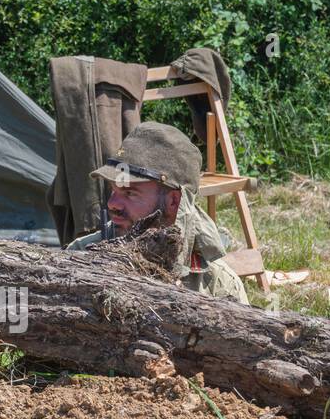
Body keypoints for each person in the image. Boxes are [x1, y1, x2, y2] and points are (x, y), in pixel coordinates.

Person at [67, 121, 249, 303]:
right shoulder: (80, 256)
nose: (112, 204)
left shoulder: (218, 285)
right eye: (113, 190)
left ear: (173, 201)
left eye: (129, 193)